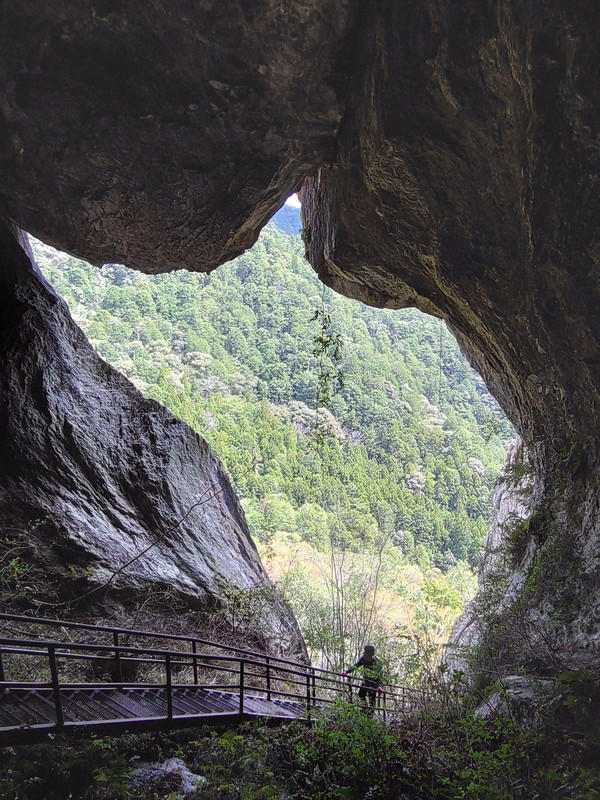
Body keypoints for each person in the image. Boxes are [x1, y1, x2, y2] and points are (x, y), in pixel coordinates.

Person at [343, 644, 383, 709]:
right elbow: (356, 665)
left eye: (365, 652)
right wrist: (347, 672)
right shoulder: (363, 659)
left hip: (374, 683)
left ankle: (370, 715)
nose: (363, 653)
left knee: (372, 699)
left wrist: (380, 686)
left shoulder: (376, 663)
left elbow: (380, 675)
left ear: (369, 654)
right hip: (365, 681)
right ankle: (364, 709)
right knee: (361, 695)